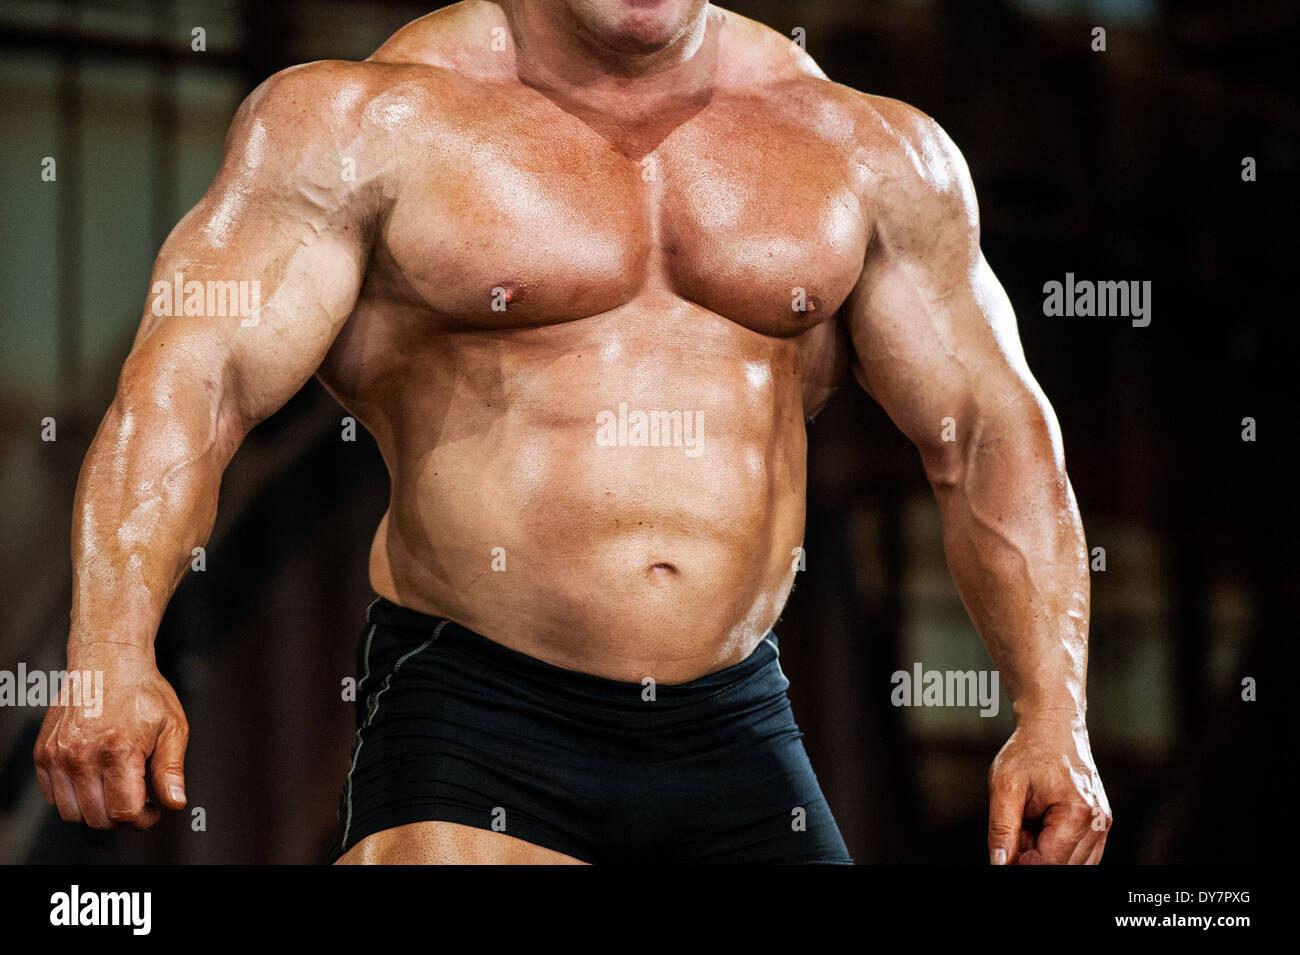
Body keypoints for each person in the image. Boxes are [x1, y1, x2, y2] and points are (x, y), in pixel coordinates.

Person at [34, 0, 1111, 864]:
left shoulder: (870, 150)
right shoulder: (360, 123)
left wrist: (1051, 713)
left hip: (735, 717)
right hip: (479, 715)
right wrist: (108, 652)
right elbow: (192, 384)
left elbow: (986, 434)